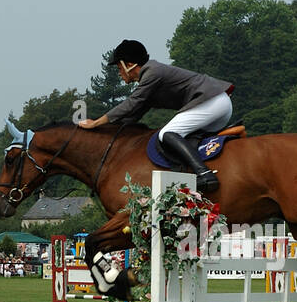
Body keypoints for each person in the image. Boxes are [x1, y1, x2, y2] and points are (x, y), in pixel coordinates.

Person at [76, 39, 233, 193]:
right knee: (181, 137)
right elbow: (132, 116)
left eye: (119, 67)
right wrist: (104, 131)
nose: (119, 73)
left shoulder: (152, 71)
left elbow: (131, 102)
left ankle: (204, 175)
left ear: (129, 65)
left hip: (212, 101)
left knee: (166, 134)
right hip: (217, 104)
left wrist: (97, 122)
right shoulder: (150, 80)